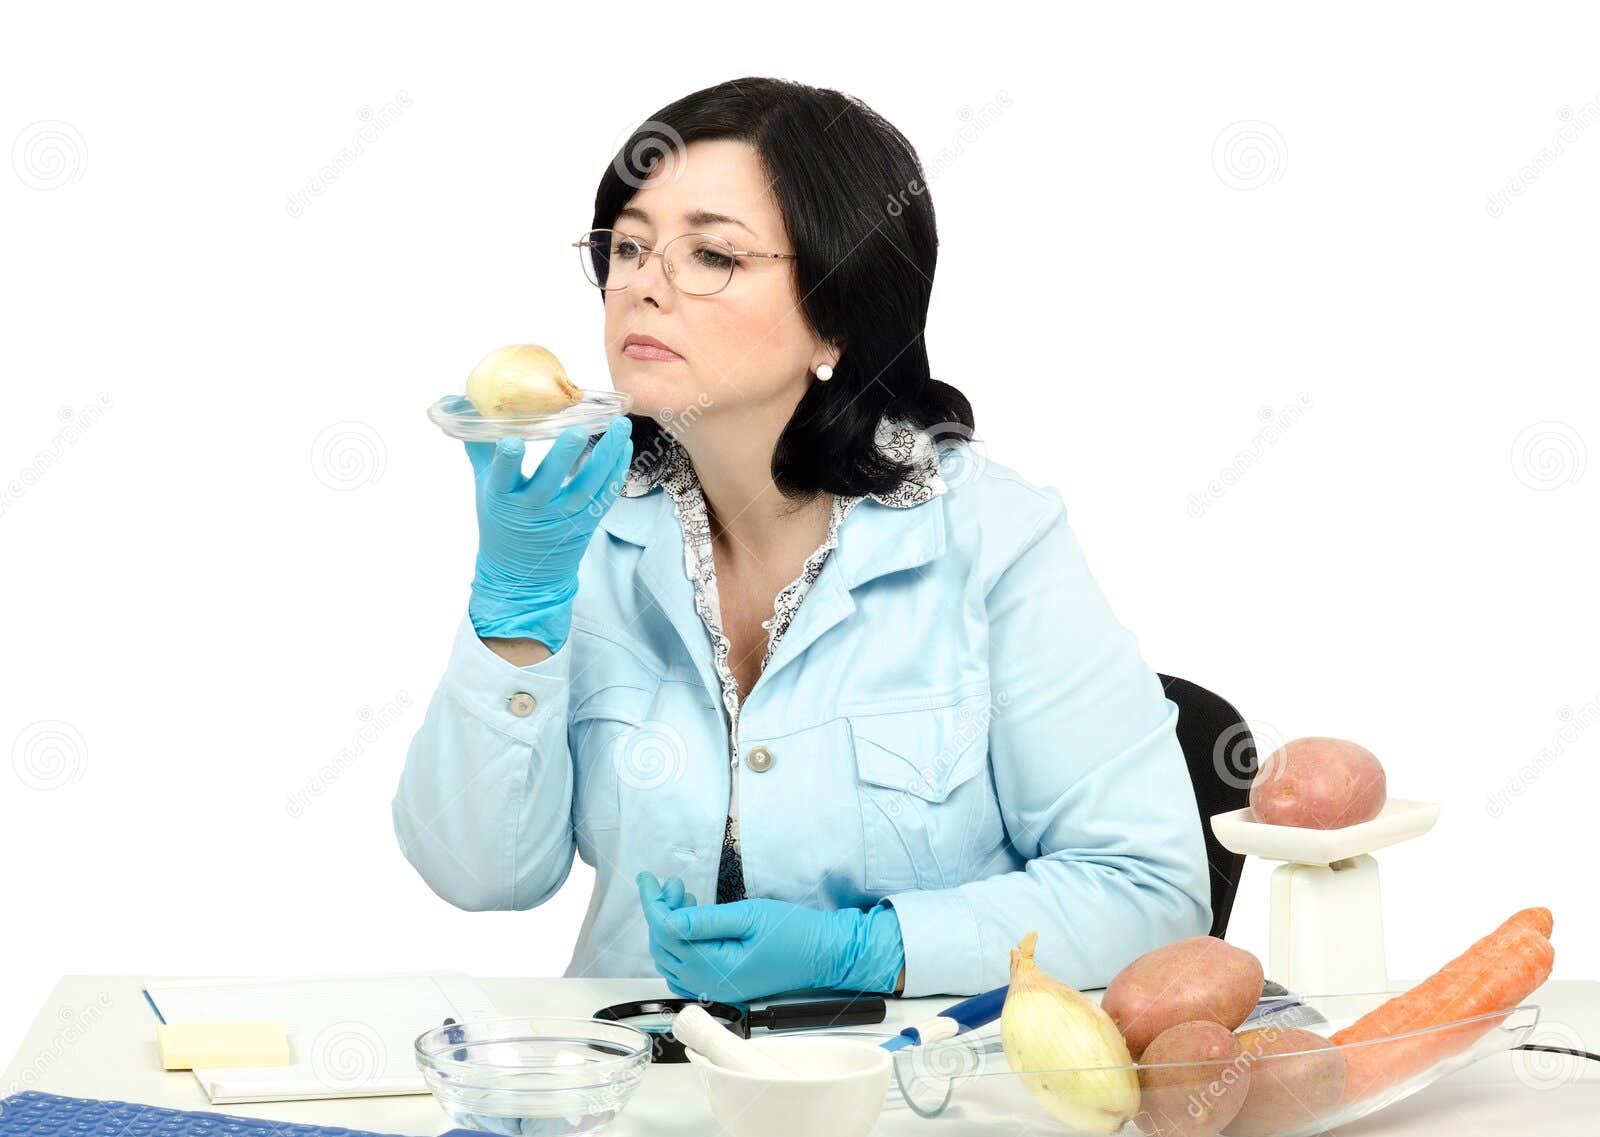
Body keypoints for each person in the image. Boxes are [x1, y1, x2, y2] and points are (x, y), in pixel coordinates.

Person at [392, 76, 1210, 1001]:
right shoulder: (581, 527)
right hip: (634, 1090)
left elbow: (1148, 893)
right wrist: (515, 608)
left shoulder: (994, 541)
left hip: (906, 1105)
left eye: (709, 255)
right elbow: (482, 874)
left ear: (836, 315)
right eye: (627, 246)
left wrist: (869, 951)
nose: (642, 288)